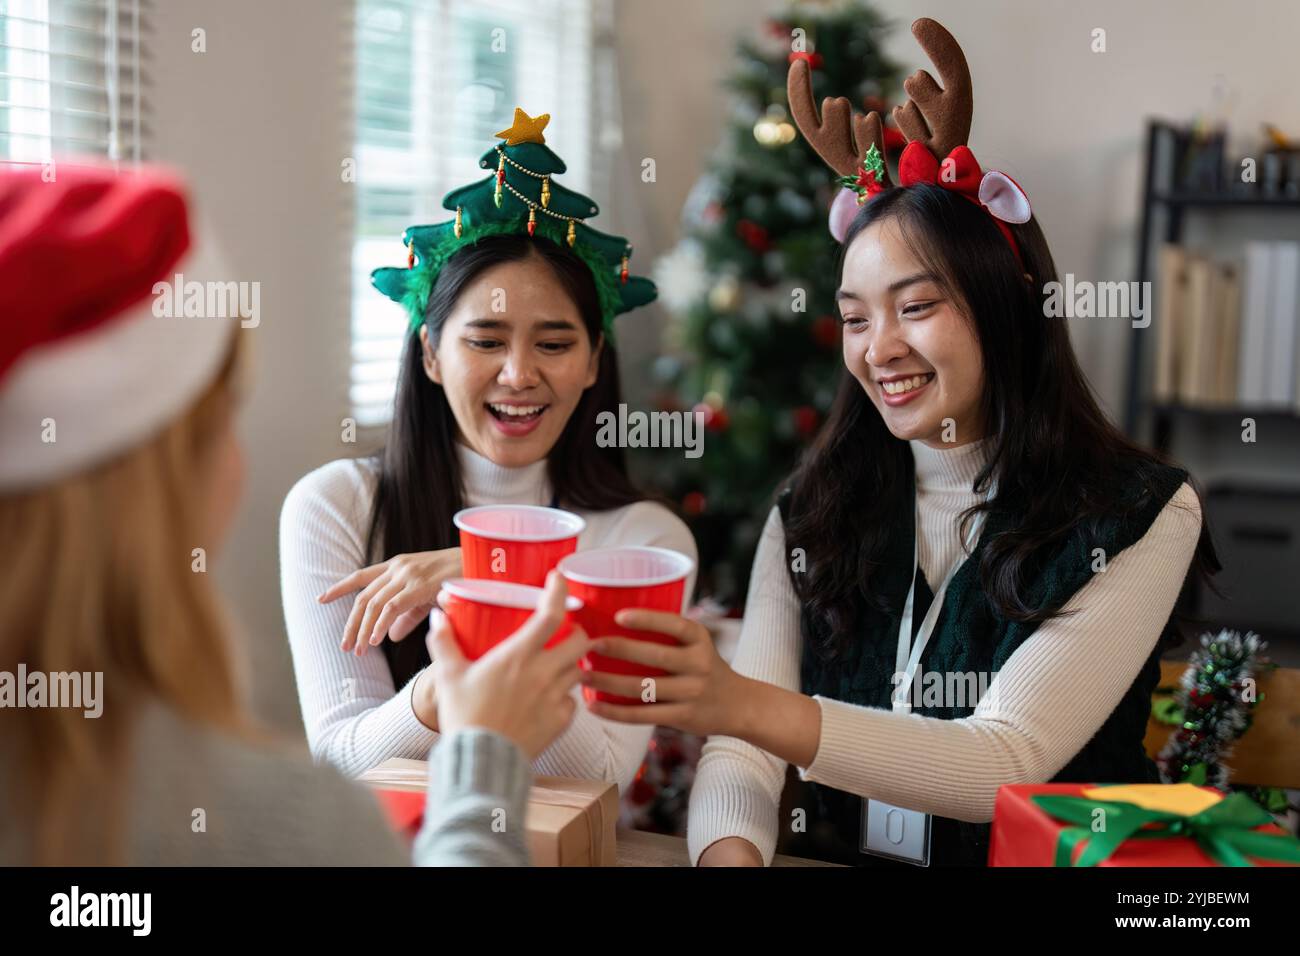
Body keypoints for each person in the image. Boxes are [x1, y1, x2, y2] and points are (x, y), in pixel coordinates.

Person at [577, 19, 1220, 867]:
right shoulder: (814, 510)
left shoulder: (1136, 514)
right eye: (854, 317)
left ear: (1007, 306)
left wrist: (735, 702)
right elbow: (744, 756)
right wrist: (728, 857)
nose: (877, 348)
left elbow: (1005, 758)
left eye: (916, 307)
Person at [0, 161, 584, 866]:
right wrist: (481, 753)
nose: (519, 372)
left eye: (552, 342)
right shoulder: (278, 823)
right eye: (222, 422)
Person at [280, 108, 696, 786]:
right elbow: (341, 766)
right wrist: (495, 598)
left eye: (555, 345)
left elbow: (601, 778)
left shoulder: (648, 543)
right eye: (485, 341)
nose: (519, 375)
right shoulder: (335, 506)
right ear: (431, 355)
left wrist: (493, 581)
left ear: (594, 361)